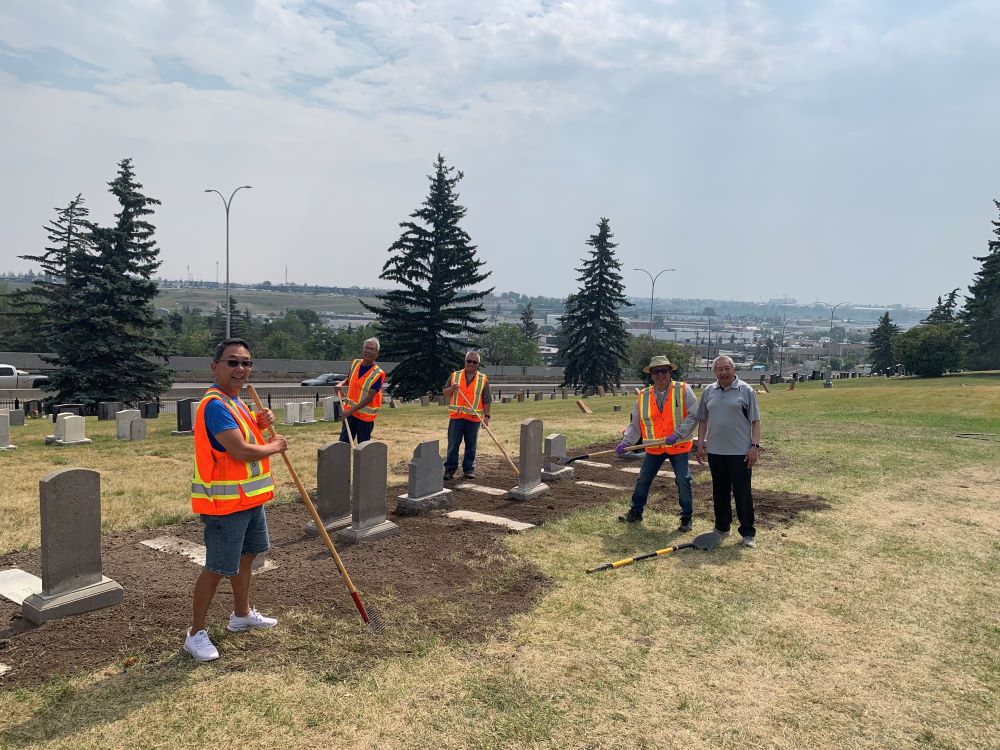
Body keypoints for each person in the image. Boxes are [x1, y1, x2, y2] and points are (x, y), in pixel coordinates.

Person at [185, 338, 288, 662]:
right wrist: (275, 446)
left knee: (249, 557)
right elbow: (239, 451)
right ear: (215, 366)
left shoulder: (236, 402)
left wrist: (259, 424)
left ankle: (241, 614)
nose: (240, 369)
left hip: (249, 500)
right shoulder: (215, 404)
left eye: (246, 362)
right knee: (216, 568)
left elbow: (245, 437)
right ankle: (194, 633)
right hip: (225, 506)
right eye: (232, 362)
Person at [615, 355, 699, 529]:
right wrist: (627, 442)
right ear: (651, 375)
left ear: (670, 372)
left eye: (664, 371)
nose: (660, 375)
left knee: (683, 479)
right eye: (656, 372)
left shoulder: (683, 389)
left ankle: (686, 517)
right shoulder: (644, 395)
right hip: (654, 447)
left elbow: (694, 415)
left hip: (678, 445)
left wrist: (678, 434)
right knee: (643, 479)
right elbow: (636, 423)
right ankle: (635, 512)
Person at [696, 355, 762, 548]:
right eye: (719, 369)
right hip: (716, 451)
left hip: (739, 452)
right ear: (714, 372)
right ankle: (722, 527)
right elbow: (703, 420)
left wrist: (754, 447)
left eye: (727, 369)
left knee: (742, 493)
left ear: (733, 370)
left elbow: (756, 421)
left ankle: (748, 532)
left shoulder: (746, 390)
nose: (723, 373)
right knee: (720, 490)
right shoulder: (709, 391)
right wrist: (700, 444)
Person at [442, 350, 492, 480]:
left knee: (471, 446)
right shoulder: (455, 376)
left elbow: (487, 400)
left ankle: (468, 469)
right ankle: (450, 470)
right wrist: (452, 389)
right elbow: (445, 393)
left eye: (474, 362)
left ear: (478, 364)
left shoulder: (483, 379)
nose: (471, 364)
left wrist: (486, 417)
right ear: (465, 362)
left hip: (473, 419)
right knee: (453, 445)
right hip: (456, 417)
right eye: (469, 361)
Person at [336, 337, 385, 445]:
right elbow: (350, 379)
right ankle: (344, 462)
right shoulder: (355, 363)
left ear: (377, 354)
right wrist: (341, 383)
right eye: (366, 348)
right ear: (362, 350)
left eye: (372, 349)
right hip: (350, 414)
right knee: (343, 445)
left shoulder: (378, 374)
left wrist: (350, 411)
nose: (368, 351)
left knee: (363, 448)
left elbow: (369, 398)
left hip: (364, 418)